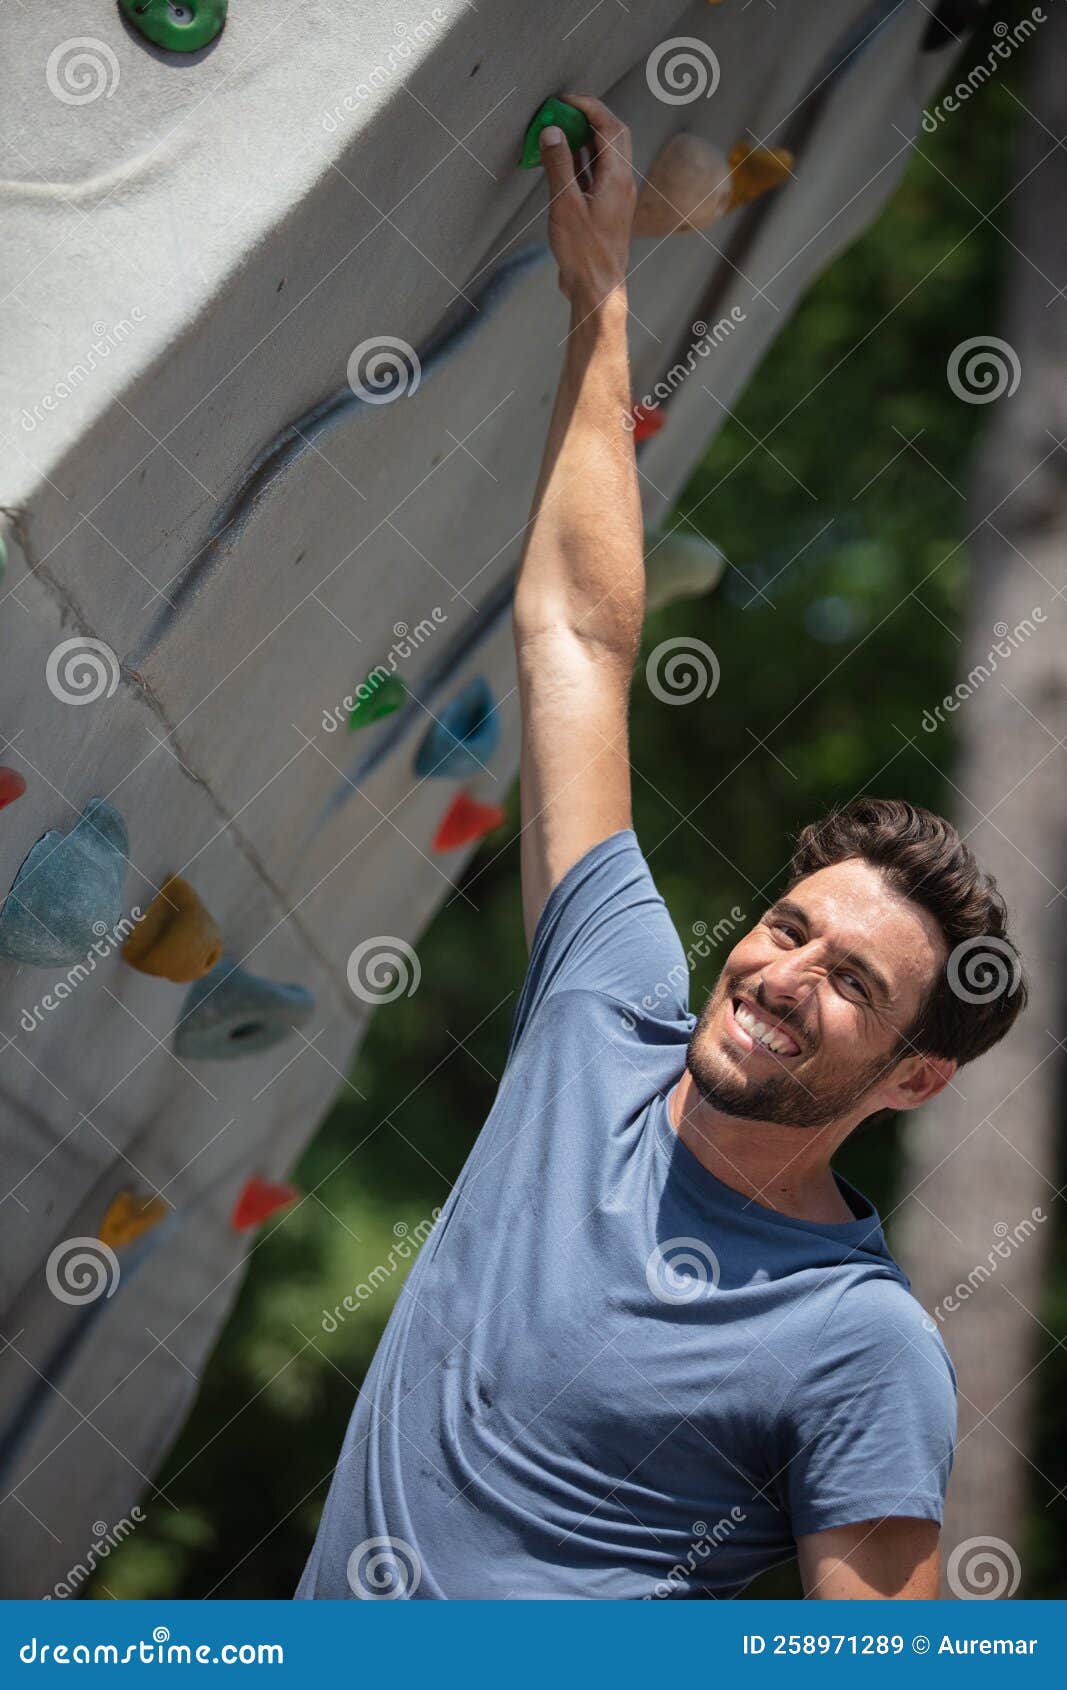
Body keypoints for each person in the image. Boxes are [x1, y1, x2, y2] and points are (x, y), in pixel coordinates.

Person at [297, 95, 1026, 1600]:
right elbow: (574, 636)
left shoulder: (857, 1339)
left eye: (854, 986)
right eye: (789, 927)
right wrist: (602, 293)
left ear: (914, 1078)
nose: (782, 973)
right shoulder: (600, 1011)